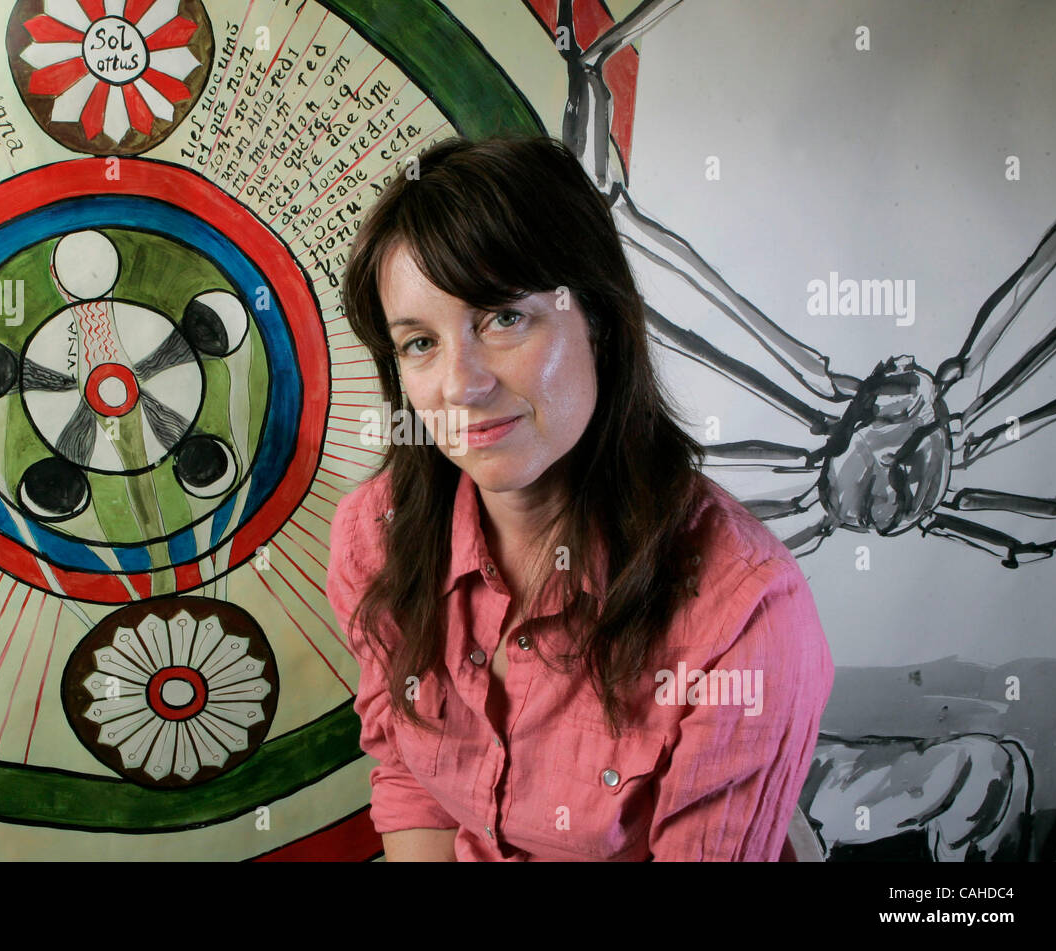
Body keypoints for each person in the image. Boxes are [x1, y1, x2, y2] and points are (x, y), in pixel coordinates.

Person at [327, 133, 835, 861]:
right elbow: (410, 776)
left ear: (597, 317)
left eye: (504, 317)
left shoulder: (747, 615)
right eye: (419, 342)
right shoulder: (373, 537)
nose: (460, 385)